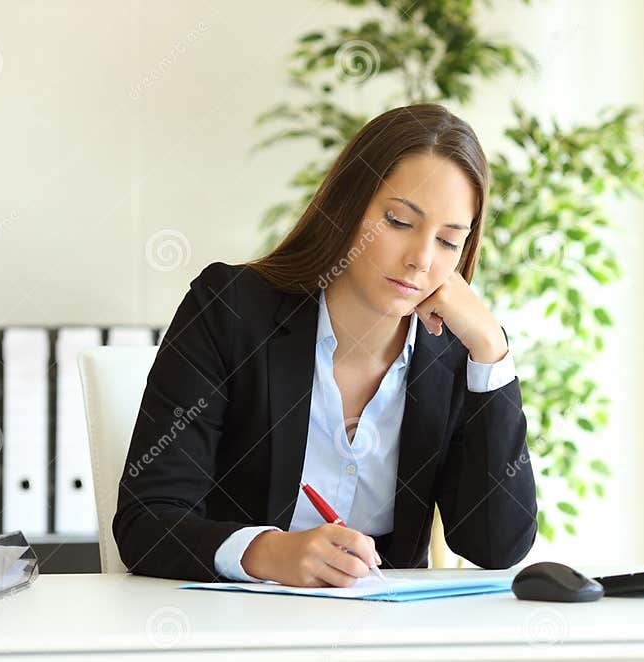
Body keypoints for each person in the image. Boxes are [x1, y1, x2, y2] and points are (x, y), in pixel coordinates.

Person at [113, 103, 537, 586]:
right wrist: (268, 552)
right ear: (348, 206)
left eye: (448, 241)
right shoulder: (230, 311)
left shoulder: (455, 352)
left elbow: (497, 544)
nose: (421, 259)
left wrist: (491, 351)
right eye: (399, 222)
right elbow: (146, 521)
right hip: (231, 626)